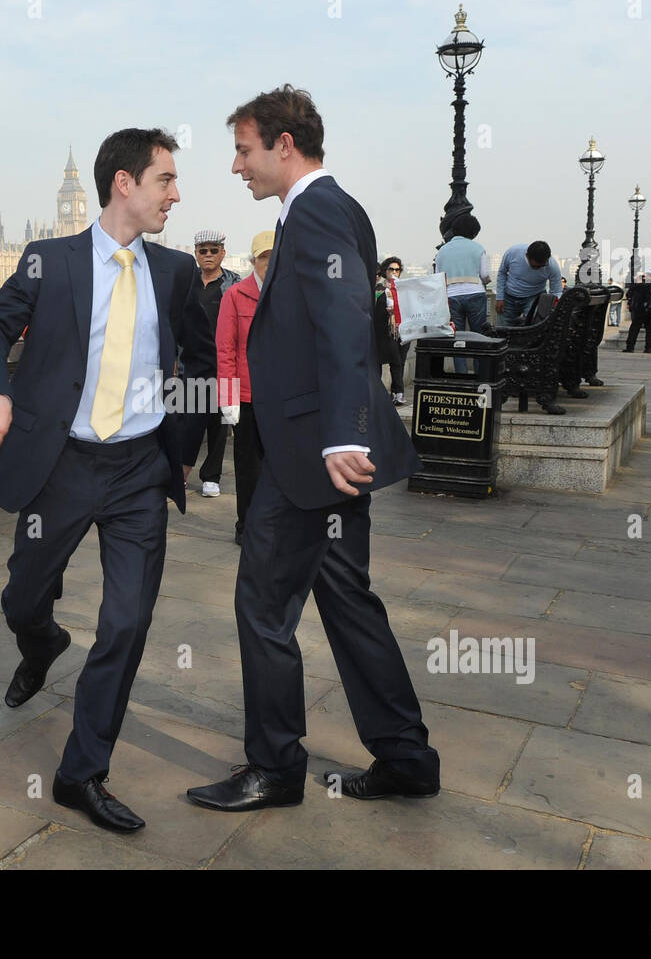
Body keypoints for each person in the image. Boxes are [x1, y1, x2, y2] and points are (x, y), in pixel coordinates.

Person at [187, 85, 438, 813]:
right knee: (347, 601)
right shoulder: (338, 207)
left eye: (243, 149)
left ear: (283, 145)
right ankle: (406, 756)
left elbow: (343, 323)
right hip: (320, 449)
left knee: (262, 604)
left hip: (313, 456)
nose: (237, 166)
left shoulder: (318, 209)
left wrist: (343, 435)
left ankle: (274, 768)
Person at [0, 128, 194, 834]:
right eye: (165, 180)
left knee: (126, 623)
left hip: (137, 472)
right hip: (60, 465)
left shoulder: (177, 271)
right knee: (21, 596)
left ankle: (81, 773)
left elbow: (208, 359)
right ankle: (40, 644)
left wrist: (183, 442)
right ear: (123, 183)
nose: (176, 194)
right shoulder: (50, 261)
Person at [217, 231, 271, 544]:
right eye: (263, 257)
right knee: (249, 469)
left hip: (281, 398)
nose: (269, 262)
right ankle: (246, 526)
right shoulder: (235, 296)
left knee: (279, 467)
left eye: (273, 256)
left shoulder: (289, 293)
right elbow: (225, 349)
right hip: (248, 399)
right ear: (253, 261)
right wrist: (229, 398)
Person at [179, 229, 240, 498]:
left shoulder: (235, 285)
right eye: (203, 250)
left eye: (213, 250)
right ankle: (179, 473)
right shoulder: (186, 284)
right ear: (196, 254)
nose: (208, 255)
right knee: (184, 421)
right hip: (190, 365)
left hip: (227, 364)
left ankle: (211, 477)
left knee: (221, 423)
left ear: (222, 253)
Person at [435, 211, 491, 373]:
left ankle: (461, 374)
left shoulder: (442, 251)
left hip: (451, 296)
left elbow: (438, 278)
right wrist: (483, 282)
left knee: (456, 338)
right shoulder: (478, 248)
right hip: (475, 293)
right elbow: (485, 275)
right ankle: (480, 374)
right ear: (473, 232)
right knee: (479, 337)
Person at [496, 241, 562, 325]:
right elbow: (502, 273)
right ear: (527, 256)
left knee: (534, 328)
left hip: (534, 298)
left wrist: (551, 310)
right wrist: (500, 297)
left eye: (541, 266)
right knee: (502, 330)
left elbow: (556, 292)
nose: (538, 268)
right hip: (509, 297)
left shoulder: (552, 266)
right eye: (535, 266)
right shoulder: (513, 252)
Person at [377, 258, 408, 402]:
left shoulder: (404, 288)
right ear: (385, 271)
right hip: (386, 331)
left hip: (404, 330)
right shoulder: (379, 290)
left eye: (397, 270)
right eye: (391, 269)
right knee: (395, 360)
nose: (394, 272)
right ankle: (399, 392)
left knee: (400, 361)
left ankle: (396, 392)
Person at [623, 275, 651, 353]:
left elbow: (628, 294)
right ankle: (648, 348)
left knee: (634, 328)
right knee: (650, 330)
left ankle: (630, 347)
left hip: (640, 310)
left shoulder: (638, 286)